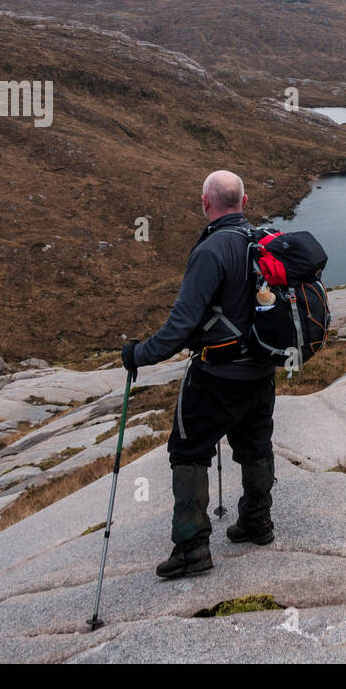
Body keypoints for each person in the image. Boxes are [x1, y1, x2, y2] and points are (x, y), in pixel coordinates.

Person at [121, 170, 278, 579]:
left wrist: (139, 354)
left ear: (206, 203)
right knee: (255, 445)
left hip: (217, 376)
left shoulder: (212, 250)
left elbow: (181, 325)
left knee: (189, 453)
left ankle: (192, 548)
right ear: (243, 202)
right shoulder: (260, 242)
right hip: (261, 372)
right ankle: (257, 522)